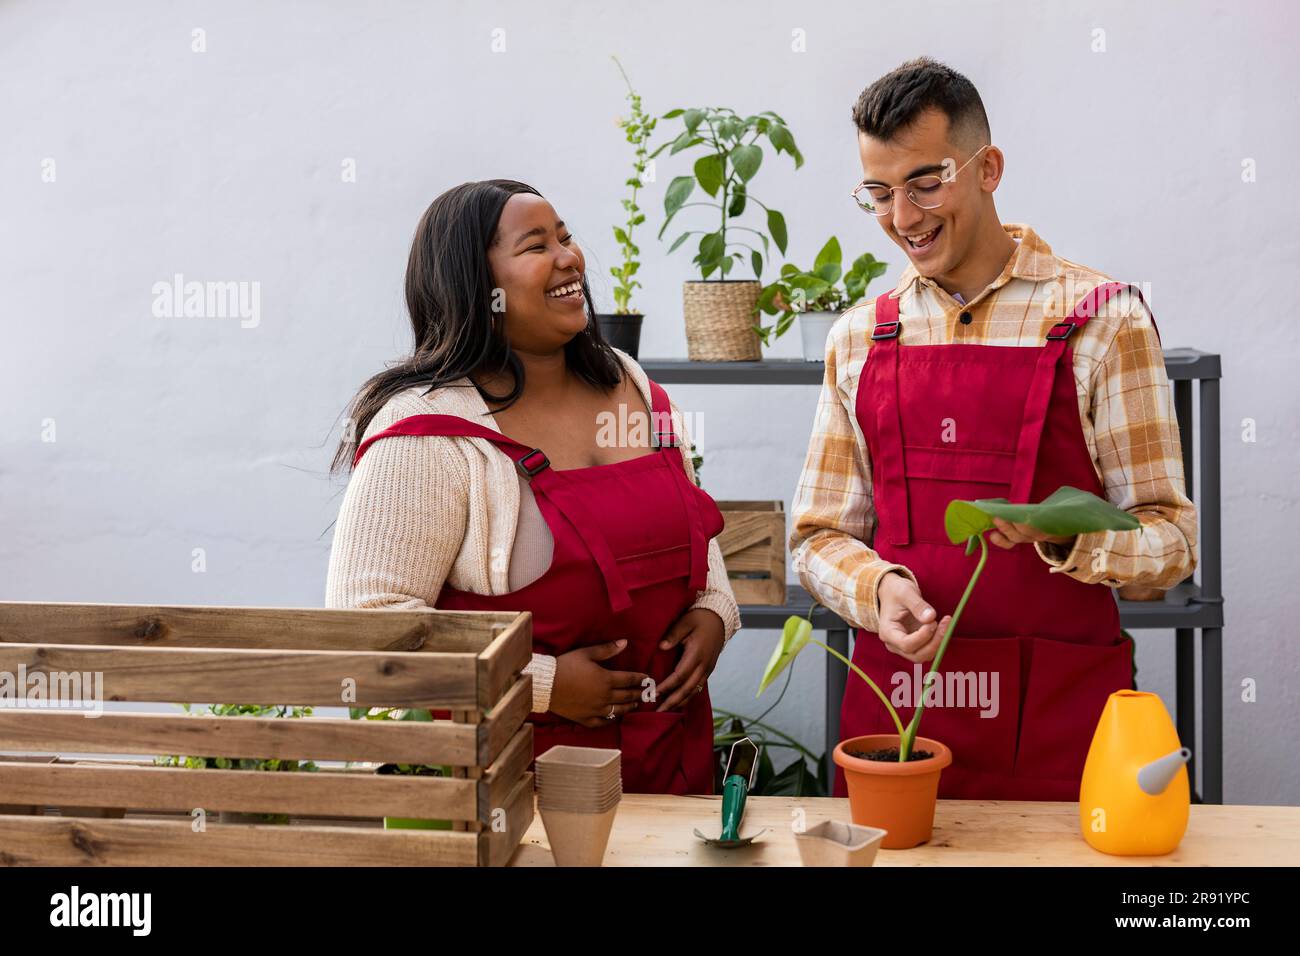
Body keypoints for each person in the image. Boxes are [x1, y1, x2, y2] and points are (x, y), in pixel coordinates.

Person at [789, 58, 1198, 800]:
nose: (903, 217)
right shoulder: (859, 337)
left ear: (988, 168)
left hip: (1061, 729)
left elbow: (1172, 540)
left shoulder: (1104, 323)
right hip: (900, 728)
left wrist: (1068, 538)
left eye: (926, 182)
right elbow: (817, 536)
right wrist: (877, 589)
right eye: (879, 193)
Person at [326, 179, 740, 794]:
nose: (570, 257)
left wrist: (715, 611)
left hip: (667, 762)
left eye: (566, 237)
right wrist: (540, 684)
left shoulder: (628, 383)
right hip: (514, 785)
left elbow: (690, 521)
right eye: (535, 245)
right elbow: (365, 630)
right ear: (476, 283)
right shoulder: (427, 430)